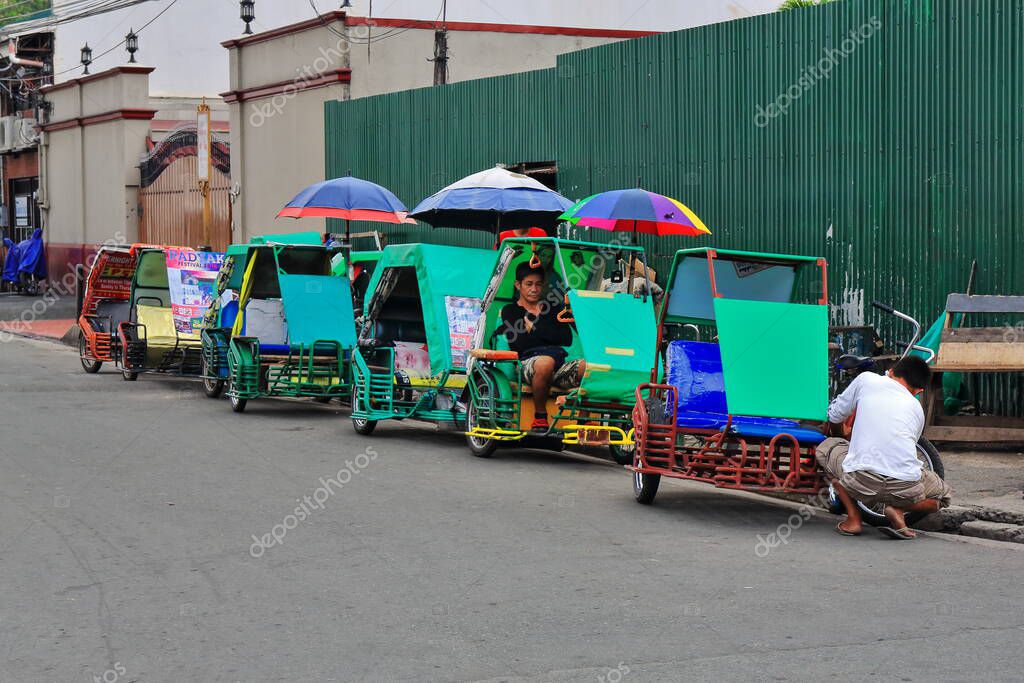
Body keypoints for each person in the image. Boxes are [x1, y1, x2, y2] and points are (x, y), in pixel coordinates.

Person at [816, 355, 952, 539]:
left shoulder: (866, 380)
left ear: (892, 371)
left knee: (826, 448)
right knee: (943, 497)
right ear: (918, 390)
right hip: (904, 487)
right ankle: (898, 508)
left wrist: (840, 434)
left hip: (860, 483)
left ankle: (854, 519)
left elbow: (834, 416)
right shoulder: (916, 408)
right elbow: (909, 442)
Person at [500, 261, 585, 432]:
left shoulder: (552, 309)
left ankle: (585, 418)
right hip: (527, 364)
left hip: (558, 365)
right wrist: (547, 334)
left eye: (538, 284)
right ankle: (540, 417)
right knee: (545, 363)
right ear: (518, 285)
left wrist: (535, 329)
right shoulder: (510, 310)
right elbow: (520, 343)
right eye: (529, 284)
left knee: (588, 366)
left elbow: (566, 338)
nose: (534, 289)